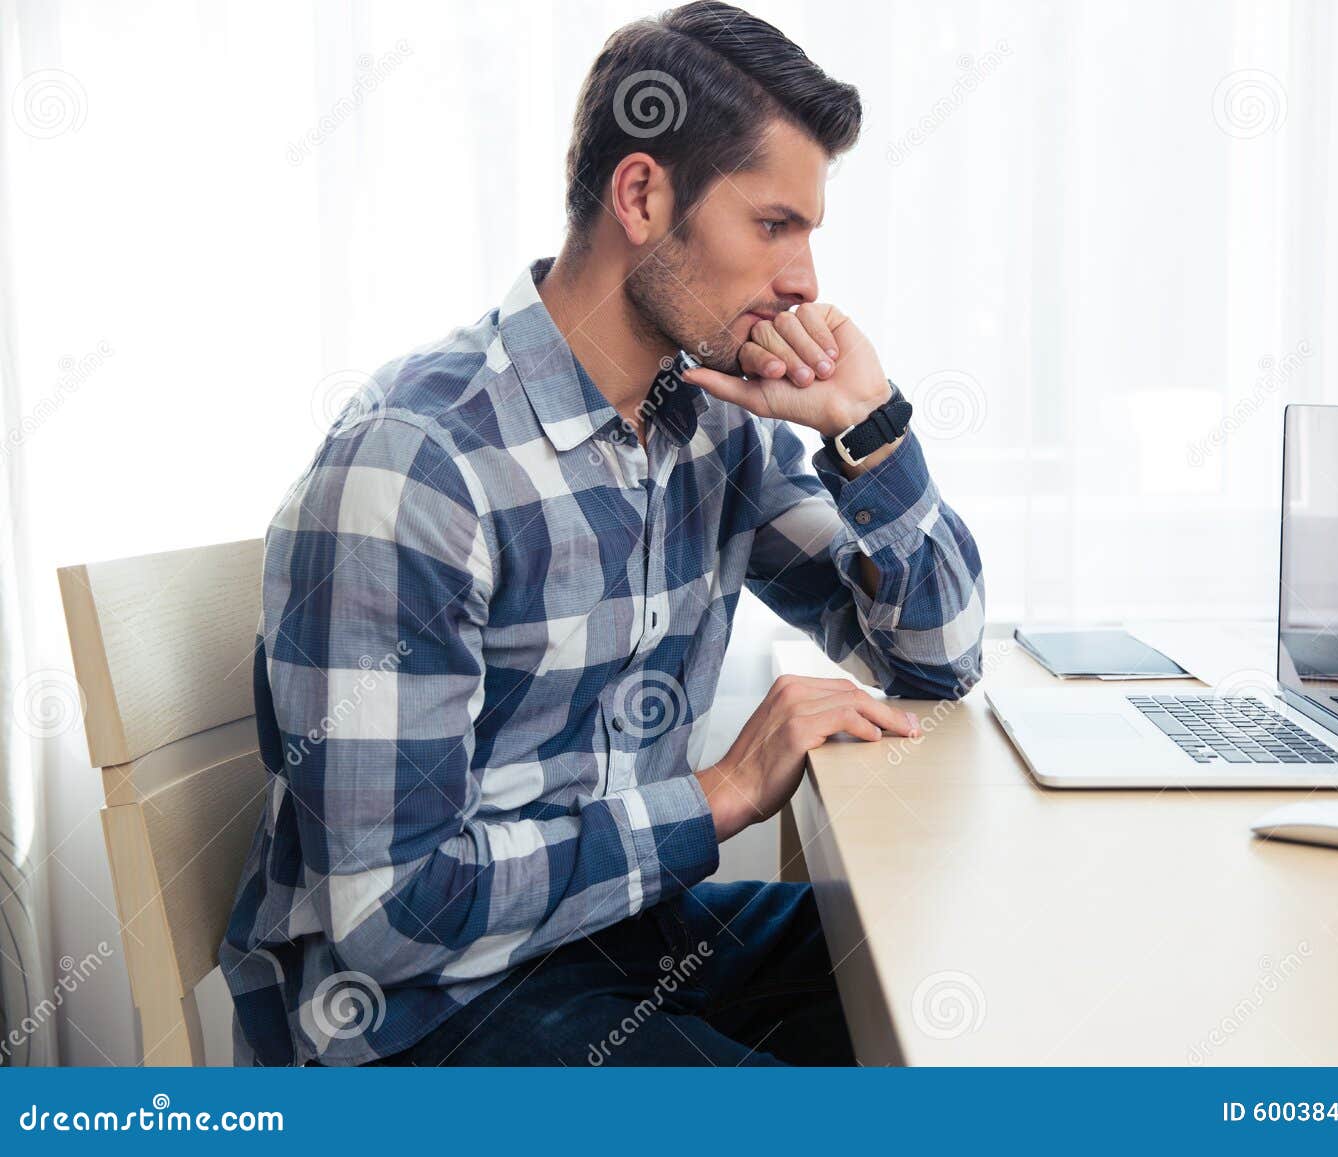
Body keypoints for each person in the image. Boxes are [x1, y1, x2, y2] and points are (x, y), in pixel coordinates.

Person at [220, 0, 985, 1067]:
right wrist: (717, 795)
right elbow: (392, 913)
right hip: (423, 1015)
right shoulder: (420, 465)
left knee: (954, 977)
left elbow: (935, 664)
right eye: (774, 224)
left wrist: (869, 430)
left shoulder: (707, 422)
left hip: (623, 934)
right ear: (641, 194)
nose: (807, 278)